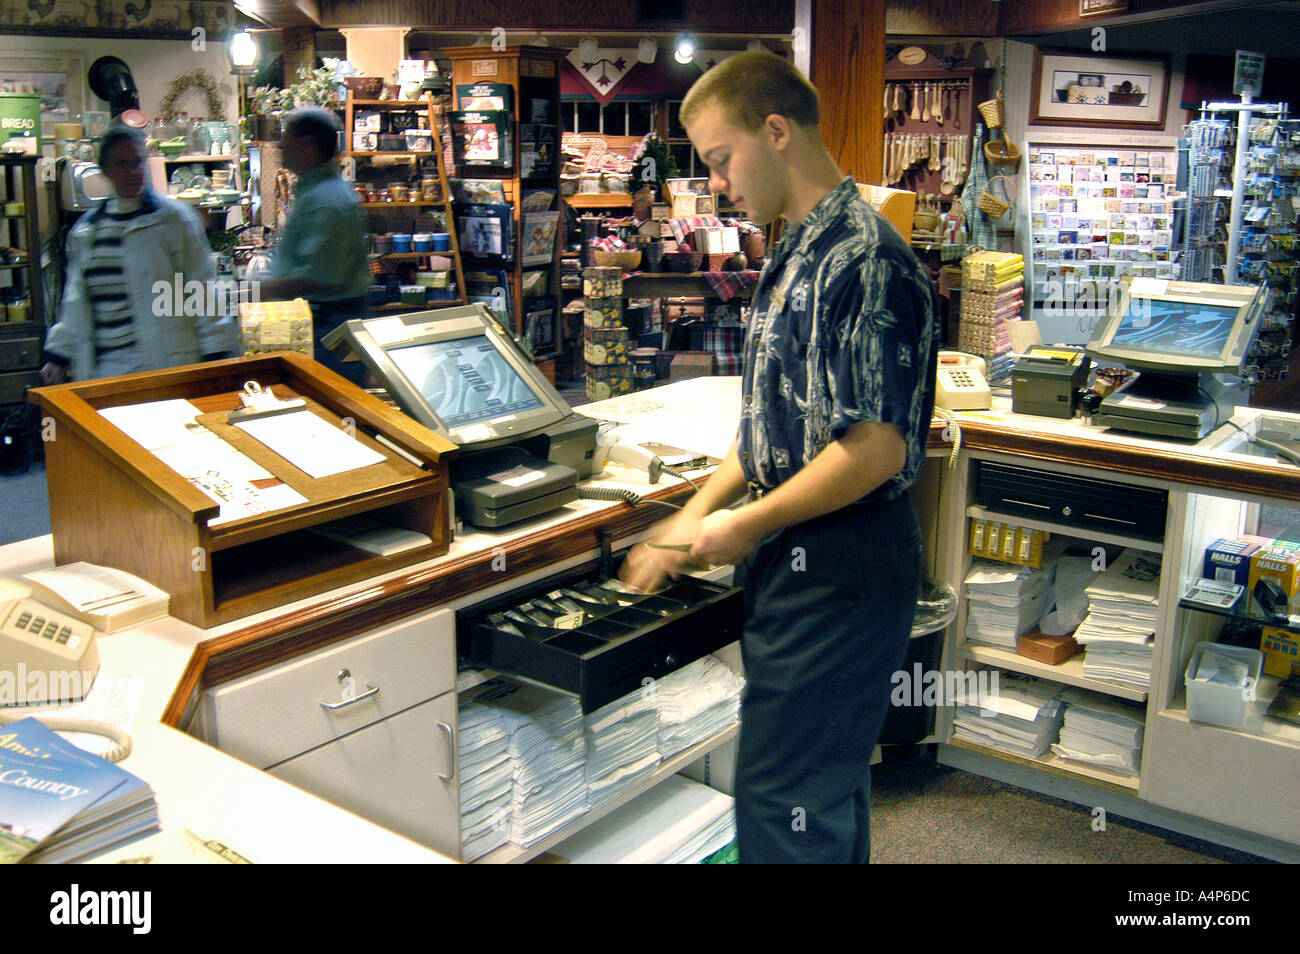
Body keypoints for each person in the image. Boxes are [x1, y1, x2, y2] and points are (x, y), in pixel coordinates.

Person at [621, 51, 939, 863]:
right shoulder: (795, 250)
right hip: (801, 554)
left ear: (776, 131)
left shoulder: (863, 260)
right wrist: (686, 521)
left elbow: (872, 449)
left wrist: (745, 524)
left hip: (843, 561)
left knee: (784, 797)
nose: (718, 184)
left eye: (721, 160)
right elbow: (769, 428)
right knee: (817, 789)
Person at [41, 126, 234, 384]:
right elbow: (76, 301)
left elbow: (203, 288)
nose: (133, 171)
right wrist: (58, 355)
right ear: (106, 170)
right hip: (108, 373)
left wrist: (216, 351)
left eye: (137, 162)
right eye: (122, 163)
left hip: (164, 365)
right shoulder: (87, 232)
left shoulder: (174, 219)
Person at [255, 107, 371, 385]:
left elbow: (317, 278)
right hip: (323, 322)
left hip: (328, 328)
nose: (282, 145)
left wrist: (254, 291)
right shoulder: (316, 191)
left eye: (287, 138)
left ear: (308, 145)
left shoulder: (326, 200)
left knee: (331, 404)